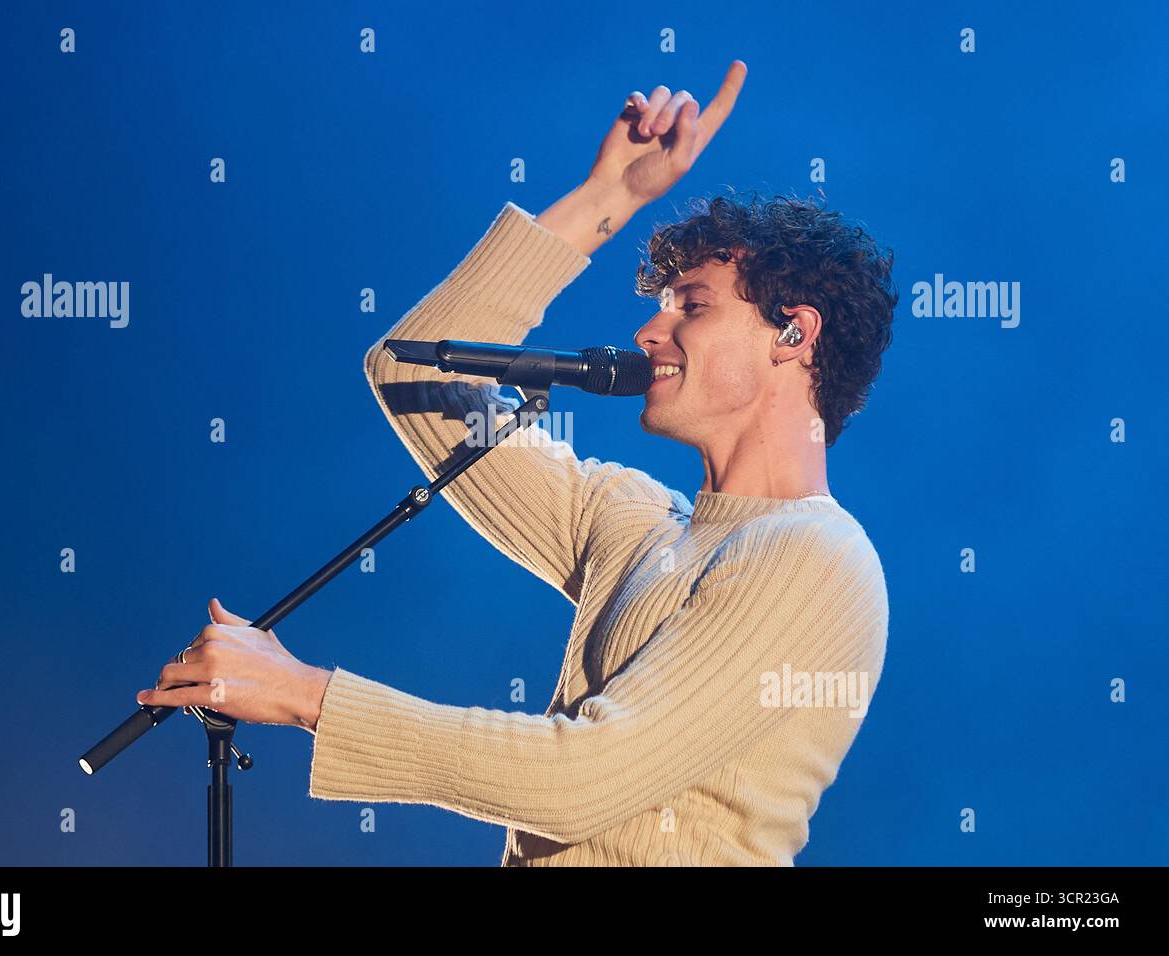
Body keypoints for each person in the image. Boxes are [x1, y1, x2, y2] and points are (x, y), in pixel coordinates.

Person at [138, 60, 897, 866]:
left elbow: (587, 778)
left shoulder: (817, 558)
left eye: (692, 306)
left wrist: (304, 695)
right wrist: (612, 196)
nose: (646, 333)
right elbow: (417, 374)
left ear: (795, 334)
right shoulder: (634, 521)